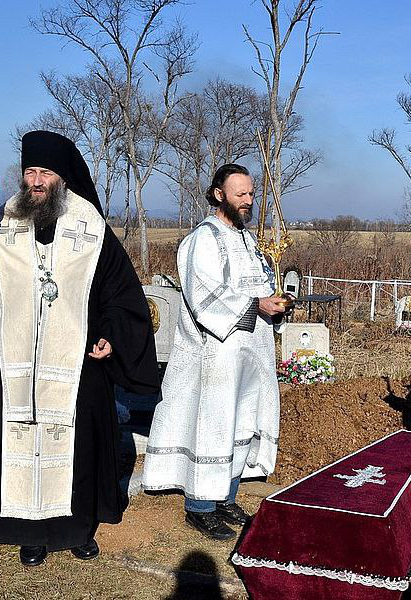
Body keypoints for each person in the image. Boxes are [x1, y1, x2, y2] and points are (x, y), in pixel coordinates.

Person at [0, 130, 159, 566]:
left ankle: (77, 529)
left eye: (46, 173)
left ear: (64, 178)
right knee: (7, 438)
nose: (36, 181)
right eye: (30, 172)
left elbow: (121, 293)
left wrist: (111, 333)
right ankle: (30, 533)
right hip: (10, 358)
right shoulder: (7, 223)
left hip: (74, 362)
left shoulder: (91, 228)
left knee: (76, 448)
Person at [142, 163, 287, 540]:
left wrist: (277, 301)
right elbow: (204, 296)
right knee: (215, 424)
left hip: (252, 350)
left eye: (251, 194)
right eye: (239, 193)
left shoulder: (248, 240)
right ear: (218, 194)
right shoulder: (201, 239)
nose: (247, 200)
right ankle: (201, 505)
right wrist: (258, 304)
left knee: (242, 421)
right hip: (216, 353)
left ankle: (226, 496)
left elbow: (260, 284)